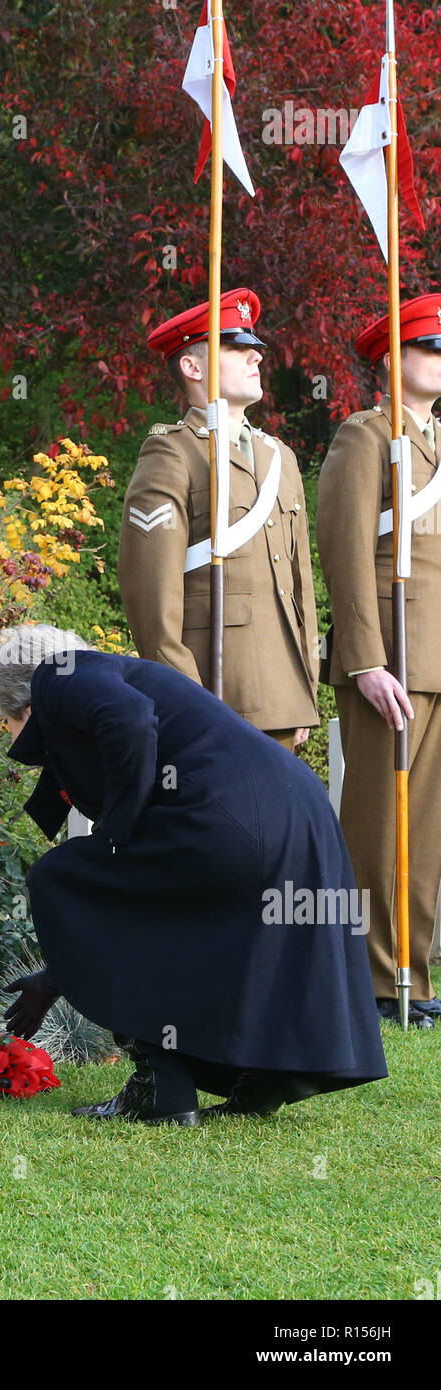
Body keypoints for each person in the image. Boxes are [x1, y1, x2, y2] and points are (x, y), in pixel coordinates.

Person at [0, 624, 387, 1126]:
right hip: (295, 812)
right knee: (211, 928)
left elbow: (128, 720)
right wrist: (56, 976)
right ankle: (266, 1075)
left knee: (59, 876)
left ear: (20, 704)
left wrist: (118, 837)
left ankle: (161, 1087)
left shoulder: (58, 677)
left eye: (4, 722)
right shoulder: (114, 672)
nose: (8, 735)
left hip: (230, 815)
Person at [118, 287, 319, 751]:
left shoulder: (280, 458)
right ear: (192, 367)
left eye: (255, 348)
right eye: (235, 347)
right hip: (215, 694)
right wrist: (186, 700)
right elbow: (152, 594)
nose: (256, 358)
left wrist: (303, 684)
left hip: (282, 693)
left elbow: (299, 583)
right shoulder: (172, 452)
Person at [316, 292, 441, 1027]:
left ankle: (413, 978)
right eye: (433, 349)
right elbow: (345, 551)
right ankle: (366, 978)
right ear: (396, 360)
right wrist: (364, 658)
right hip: (390, 662)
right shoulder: (366, 437)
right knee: (374, 827)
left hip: (438, 659)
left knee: (425, 829)